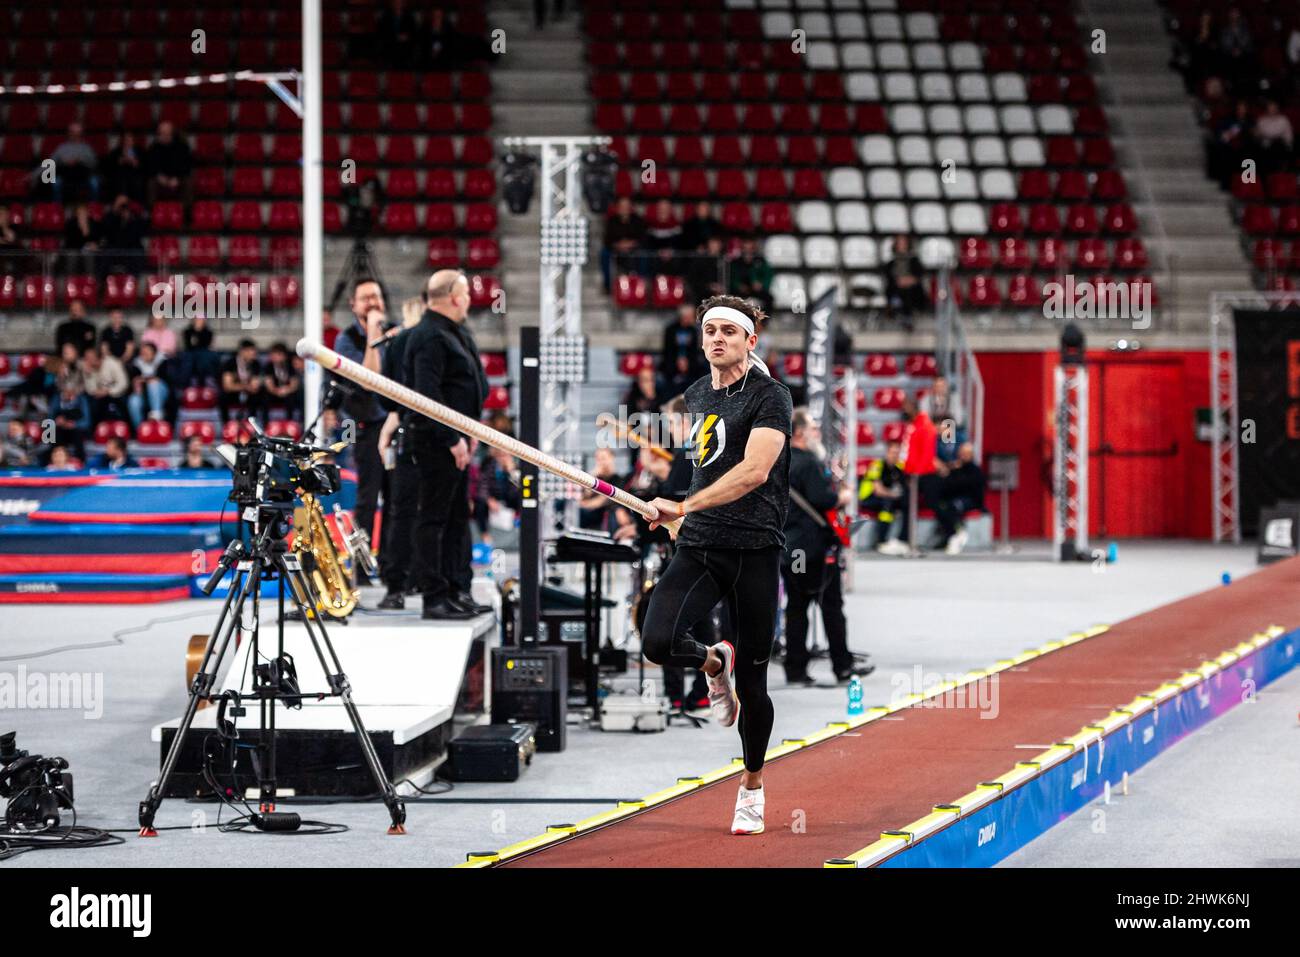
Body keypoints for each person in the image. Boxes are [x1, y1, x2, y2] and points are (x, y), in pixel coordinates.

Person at [639, 294, 793, 836]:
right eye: (711, 331)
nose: (718, 338)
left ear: (751, 341)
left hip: (755, 548)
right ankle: (712, 665)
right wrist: (675, 508)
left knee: (754, 685)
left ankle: (752, 784)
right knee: (657, 642)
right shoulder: (697, 393)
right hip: (701, 542)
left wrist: (682, 504)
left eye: (730, 331)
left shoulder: (773, 397)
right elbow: (706, 470)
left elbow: (753, 472)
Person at [403, 270, 490, 620]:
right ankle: (434, 597)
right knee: (434, 519)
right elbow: (427, 396)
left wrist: (467, 435)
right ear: (455, 297)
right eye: (466, 292)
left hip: (459, 441)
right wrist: (452, 438)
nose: (470, 299)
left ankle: (457, 588)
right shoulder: (427, 336)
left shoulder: (456, 331)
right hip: (436, 443)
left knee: (456, 518)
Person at [781, 407, 873, 685]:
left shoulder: (778, 461)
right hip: (813, 547)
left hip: (789, 545)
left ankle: (795, 669)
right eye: (812, 428)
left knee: (796, 608)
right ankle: (842, 666)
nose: (816, 433)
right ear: (799, 432)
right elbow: (823, 498)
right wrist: (843, 496)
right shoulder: (808, 462)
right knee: (831, 606)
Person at [333, 277, 392, 578]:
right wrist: (372, 332)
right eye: (365, 297)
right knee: (368, 500)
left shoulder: (394, 332)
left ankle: (395, 570)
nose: (372, 302)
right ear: (353, 305)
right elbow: (368, 379)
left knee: (398, 500)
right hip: (367, 427)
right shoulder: (346, 340)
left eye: (376, 296)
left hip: (394, 426)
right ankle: (361, 567)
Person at [375, 297, 426, 610]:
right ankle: (416, 580)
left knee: (402, 512)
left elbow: (390, 398)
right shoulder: (421, 341)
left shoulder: (401, 342)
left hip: (409, 434)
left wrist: (390, 426)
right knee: (423, 514)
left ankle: (396, 584)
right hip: (423, 434)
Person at [931, 442, 987, 555]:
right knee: (941, 507)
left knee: (954, 506)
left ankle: (957, 533)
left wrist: (954, 473)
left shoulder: (975, 470)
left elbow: (968, 487)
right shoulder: (954, 468)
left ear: (971, 455)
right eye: (961, 453)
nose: (963, 456)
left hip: (971, 500)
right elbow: (947, 486)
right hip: (954, 498)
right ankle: (950, 536)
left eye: (966, 454)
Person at [860, 441, 910, 555]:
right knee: (888, 504)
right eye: (893, 453)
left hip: (888, 498)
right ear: (887, 453)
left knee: (907, 504)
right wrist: (894, 495)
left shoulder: (898, 467)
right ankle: (881, 541)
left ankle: (903, 540)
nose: (895, 456)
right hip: (868, 498)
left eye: (897, 453)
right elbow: (878, 490)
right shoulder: (877, 465)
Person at [884, 234, 928, 332]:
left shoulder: (915, 261)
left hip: (912, 289)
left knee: (908, 291)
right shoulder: (890, 263)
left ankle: (907, 317)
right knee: (898, 291)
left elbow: (919, 275)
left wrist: (909, 280)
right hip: (896, 288)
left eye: (903, 243)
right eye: (899, 243)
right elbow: (890, 278)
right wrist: (900, 281)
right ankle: (901, 315)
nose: (901, 245)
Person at [144, 121, 193, 206]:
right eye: (161, 133)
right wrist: (158, 176)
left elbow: (187, 165)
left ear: (172, 133)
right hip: (160, 178)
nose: (164, 135)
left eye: (166, 133)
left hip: (177, 177)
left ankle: (186, 211)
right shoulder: (154, 148)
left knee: (188, 181)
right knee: (151, 183)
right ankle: (152, 210)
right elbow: (150, 166)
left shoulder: (182, 147)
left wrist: (177, 178)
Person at [602, 196, 646, 290]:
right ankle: (607, 284)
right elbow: (607, 240)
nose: (624, 209)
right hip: (615, 250)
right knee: (604, 254)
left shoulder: (638, 220)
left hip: (634, 249)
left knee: (644, 254)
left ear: (631, 207)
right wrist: (618, 245)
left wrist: (631, 244)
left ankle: (641, 284)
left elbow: (642, 238)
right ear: (618, 207)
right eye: (622, 206)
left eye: (627, 206)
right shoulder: (611, 221)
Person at [50, 123, 99, 203]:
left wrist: (80, 160)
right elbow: (49, 163)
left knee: (95, 182)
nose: (75, 135)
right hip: (66, 175)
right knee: (55, 182)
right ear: (69, 133)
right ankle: (57, 208)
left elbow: (94, 163)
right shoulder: (62, 148)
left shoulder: (86, 148)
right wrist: (33, 175)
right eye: (73, 133)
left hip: (83, 175)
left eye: (78, 133)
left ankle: (94, 207)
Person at [79, 345, 130, 423]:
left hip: (116, 393)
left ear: (97, 358)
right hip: (100, 396)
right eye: (85, 358)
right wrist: (89, 375)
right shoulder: (87, 368)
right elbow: (90, 390)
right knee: (92, 402)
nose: (86, 361)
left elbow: (123, 383)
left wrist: (108, 391)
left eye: (89, 358)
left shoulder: (112, 363)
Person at [577, 447, 623, 531]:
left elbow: (602, 501)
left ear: (612, 458)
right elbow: (584, 496)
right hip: (590, 512)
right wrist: (593, 476)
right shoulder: (596, 477)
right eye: (598, 459)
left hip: (603, 513)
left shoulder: (618, 480)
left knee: (578, 513)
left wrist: (585, 504)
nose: (601, 462)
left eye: (603, 458)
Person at [219, 339, 265, 422]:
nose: (254, 353)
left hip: (248, 392)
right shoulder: (230, 363)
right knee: (222, 397)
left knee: (259, 396)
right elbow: (227, 386)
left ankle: (253, 423)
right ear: (243, 351)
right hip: (234, 393)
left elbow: (255, 385)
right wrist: (245, 386)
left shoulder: (256, 364)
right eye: (251, 350)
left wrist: (250, 386)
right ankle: (226, 424)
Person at [127, 340, 170, 427]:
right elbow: (135, 380)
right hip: (143, 393)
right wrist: (140, 381)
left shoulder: (162, 360)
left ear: (154, 353)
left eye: (147, 352)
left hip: (161, 392)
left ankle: (156, 416)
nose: (144, 354)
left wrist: (143, 379)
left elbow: (160, 378)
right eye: (142, 352)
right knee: (133, 401)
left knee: (153, 384)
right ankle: (140, 429)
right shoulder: (137, 363)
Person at [262, 342, 302, 420]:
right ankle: (265, 422)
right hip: (274, 393)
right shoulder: (269, 367)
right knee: (264, 397)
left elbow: (294, 384)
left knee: (292, 397)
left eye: (277, 354)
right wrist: (276, 391)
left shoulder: (290, 366)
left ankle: (290, 421)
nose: (274, 357)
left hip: (287, 392)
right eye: (273, 354)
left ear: (284, 355)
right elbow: (269, 384)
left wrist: (286, 390)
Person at [62, 204, 101, 276]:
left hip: (88, 250)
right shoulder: (71, 224)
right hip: (74, 248)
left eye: (84, 213)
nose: (83, 215)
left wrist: (87, 231)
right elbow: (70, 241)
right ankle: (71, 279)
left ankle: (90, 278)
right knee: (72, 254)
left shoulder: (93, 223)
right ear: (76, 214)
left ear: (88, 213)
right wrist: (82, 229)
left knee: (89, 253)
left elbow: (96, 239)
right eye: (80, 213)